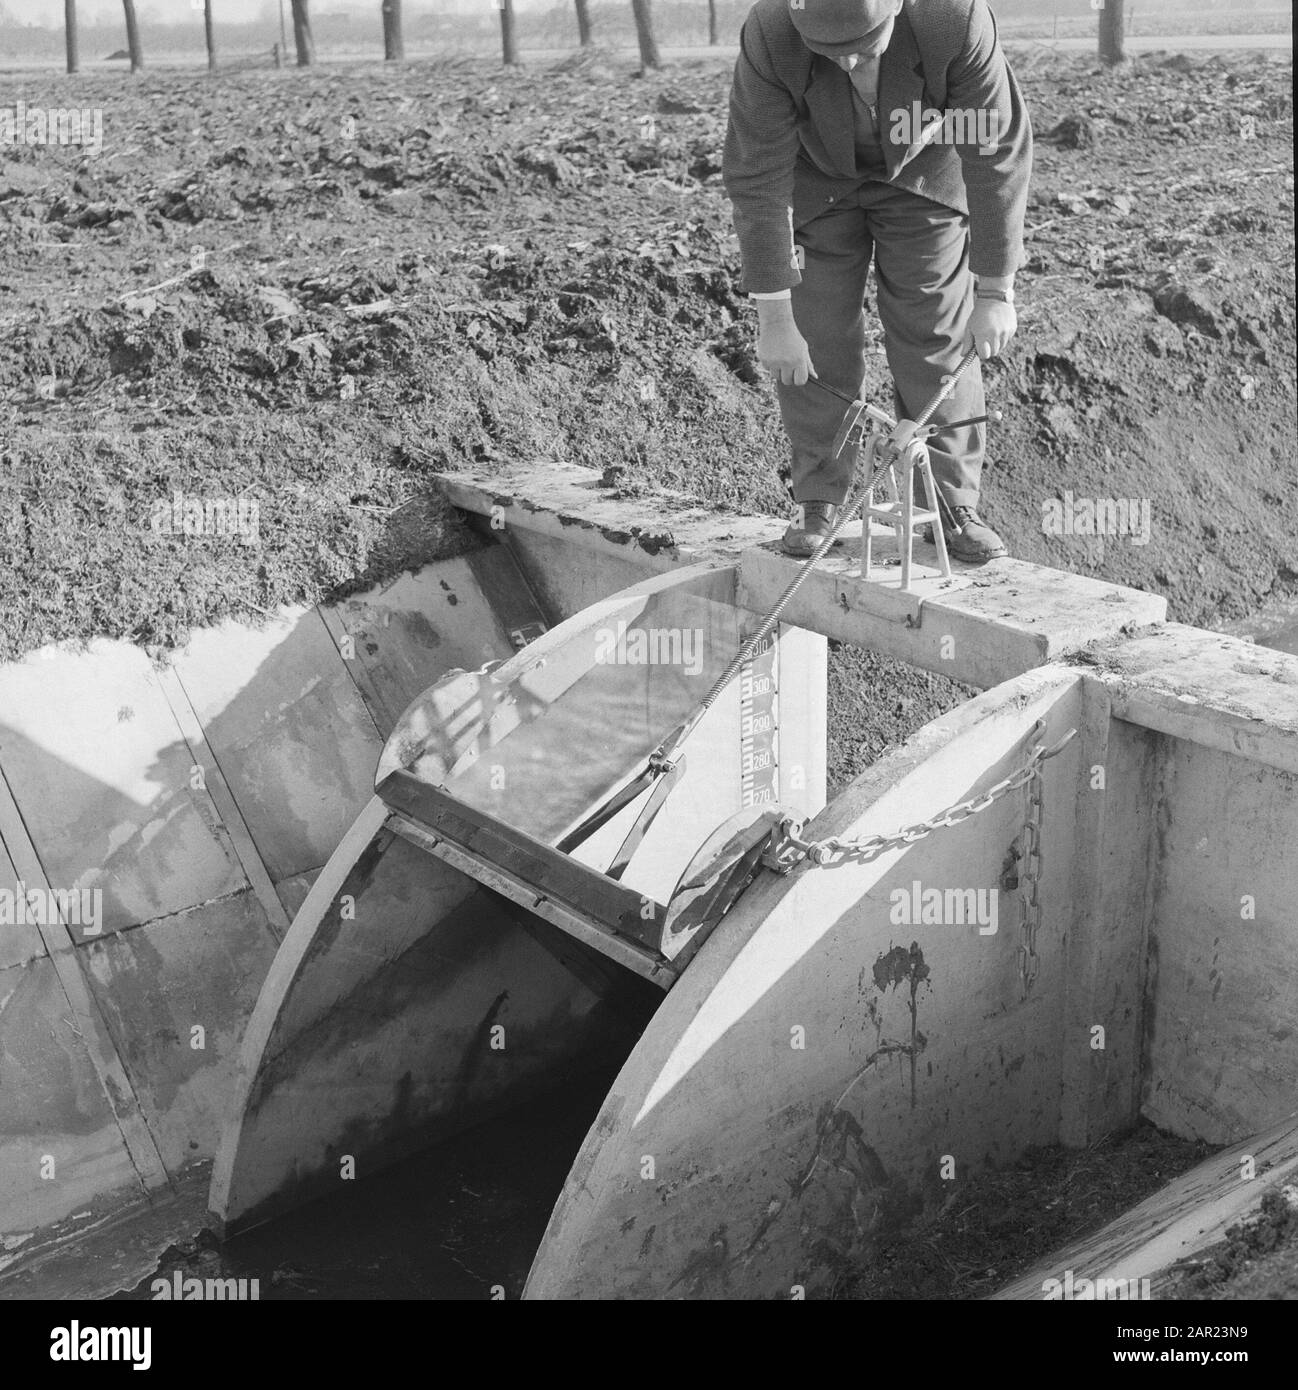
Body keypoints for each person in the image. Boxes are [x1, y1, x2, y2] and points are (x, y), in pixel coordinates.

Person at [722, 0, 1032, 559]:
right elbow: (756, 175)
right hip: (818, 181)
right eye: (831, 54)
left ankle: (951, 506)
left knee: (934, 330)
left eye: (866, 48)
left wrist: (995, 291)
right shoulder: (772, 33)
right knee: (814, 338)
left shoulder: (951, 21)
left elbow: (995, 152)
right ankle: (818, 499)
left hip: (923, 175)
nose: (849, 66)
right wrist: (774, 318)